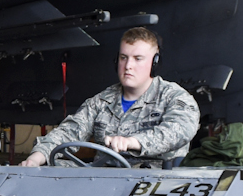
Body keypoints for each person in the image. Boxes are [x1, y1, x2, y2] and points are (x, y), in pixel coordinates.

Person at [21, 27, 199, 168]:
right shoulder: (101, 101)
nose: (128, 65)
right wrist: (36, 159)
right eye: (123, 58)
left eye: (138, 59)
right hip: (105, 179)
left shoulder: (175, 98)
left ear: (154, 64)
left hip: (152, 185)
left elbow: (178, 130)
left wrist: (133, 142)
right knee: (52, 169)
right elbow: (70, 131)